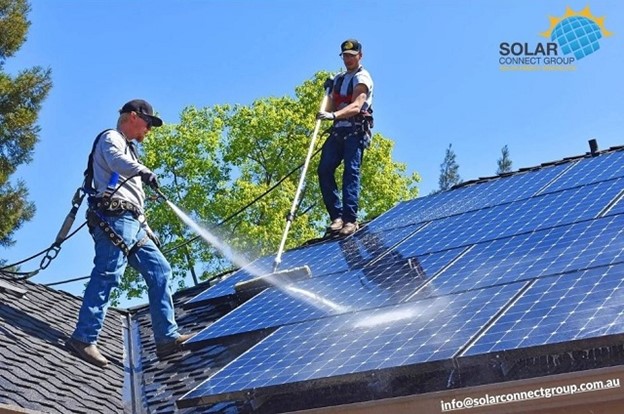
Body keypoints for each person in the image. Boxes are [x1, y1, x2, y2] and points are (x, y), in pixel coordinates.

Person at [66, 99, 192, 367]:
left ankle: (166, 338)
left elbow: (133, 195)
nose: (148, 130)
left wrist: (146, 226)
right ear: (133, 116)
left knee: (161, 270)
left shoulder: (131, 151)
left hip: (134, 222)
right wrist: (144, 171)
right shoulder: (111, 138)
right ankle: (83, 338)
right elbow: (116, 162)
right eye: (147, 124)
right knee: (108, 274)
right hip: (114, 219)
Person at [317, 39, 374, 236]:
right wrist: (328, 94)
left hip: (354, 132)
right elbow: (331, 107)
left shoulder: (362, 78)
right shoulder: (339, 79)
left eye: (352, 55)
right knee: (324, 170)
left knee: (351, 172)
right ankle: (337, 217)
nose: (348, 59)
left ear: (360, 55)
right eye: (345, 56)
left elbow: (357, 105)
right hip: (337, 132)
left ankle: (350, 220)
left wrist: (333, 116)